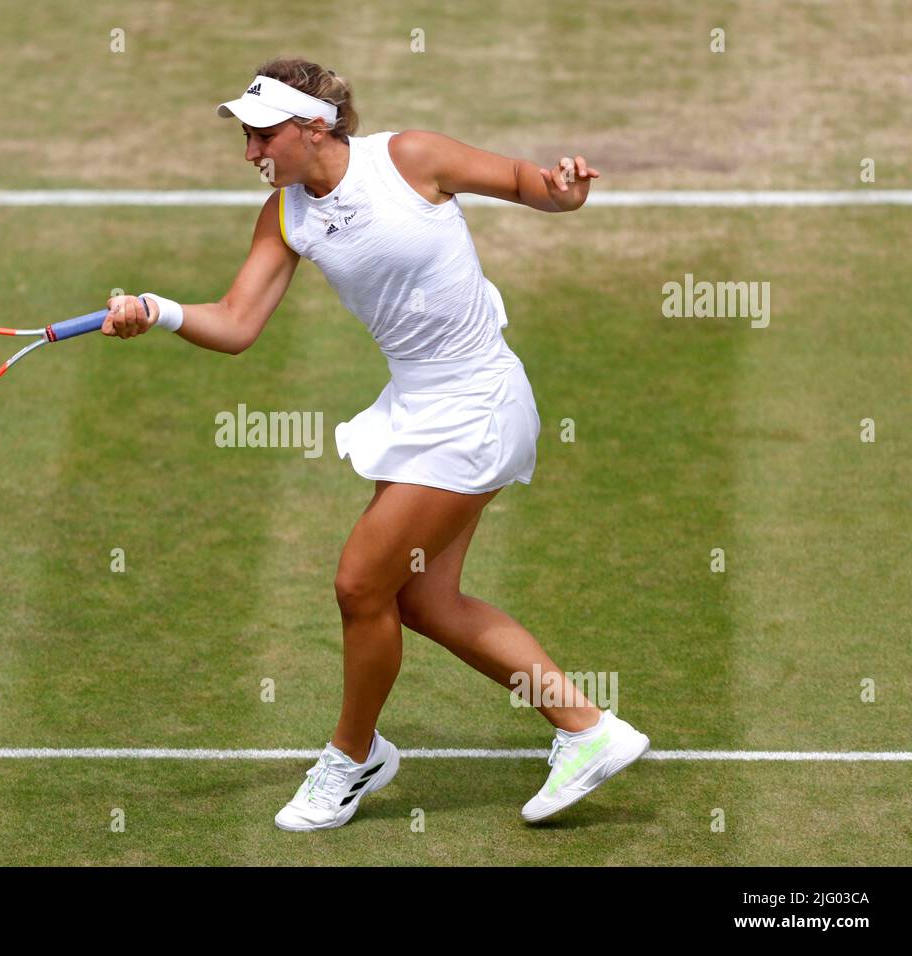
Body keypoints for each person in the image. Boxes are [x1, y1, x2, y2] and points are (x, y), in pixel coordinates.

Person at [102, 56, 650, 831]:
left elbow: (531, 185)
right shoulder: (287, 215)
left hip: (477, 404)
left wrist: (563, 191)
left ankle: (352, 757)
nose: (251, 154)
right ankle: (588, 729)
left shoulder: (411, 159)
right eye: (248, 139)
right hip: (419, 407)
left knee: (361, 584)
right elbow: (235, 323)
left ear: (314, 127)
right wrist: (156, 310)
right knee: (423, 600)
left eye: (264, 137)